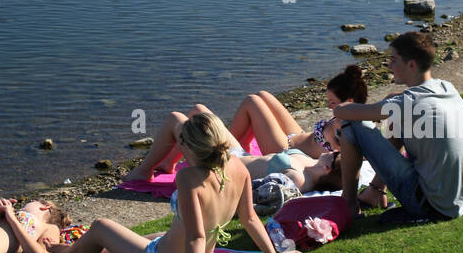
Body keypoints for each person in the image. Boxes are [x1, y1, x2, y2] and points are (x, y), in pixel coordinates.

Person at [46, 112, 289, 253]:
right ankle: (66, 250)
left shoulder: (189, 178)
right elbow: (250, 219)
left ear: (187, 147)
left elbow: (196, 237)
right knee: (118, 249)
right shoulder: (238, 167)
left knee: (100, 226)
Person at [124, 66, 368, 183]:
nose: (329, 107)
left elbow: (352, 155)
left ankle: (150, 169)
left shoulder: (345, 132)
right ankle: (172, 161)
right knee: (260, 95)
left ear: (348, 101)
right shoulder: (347, 120)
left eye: (333, 103)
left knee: (241, 103)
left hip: (283, 149)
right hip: (294, 143)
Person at [332, 31, 463, 221]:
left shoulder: (407, 102)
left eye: (394, 60)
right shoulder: (446, 87)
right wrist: (390, 105)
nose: (389, 65)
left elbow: (345, 113)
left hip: (431, 204)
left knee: (350, 125)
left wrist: (343, 108)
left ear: (411, 65)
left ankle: (349, 205)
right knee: (398, 122)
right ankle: (375, 191)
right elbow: (403, 107)